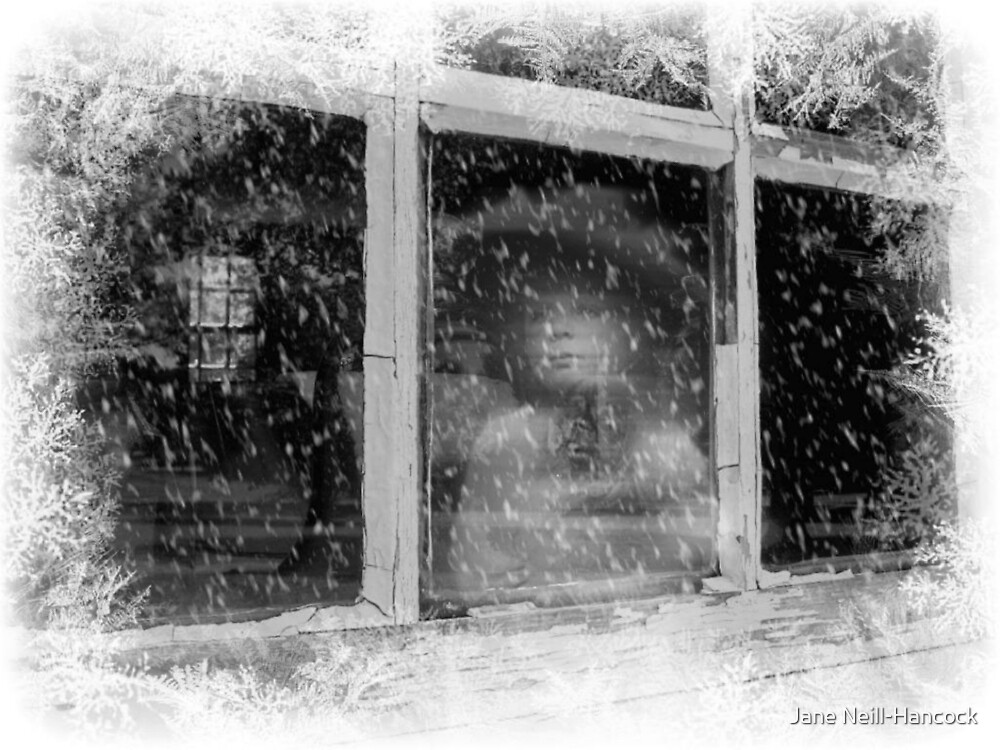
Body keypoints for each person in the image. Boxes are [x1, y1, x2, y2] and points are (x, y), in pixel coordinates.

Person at [437, 242, 711, 591]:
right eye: (538, 314)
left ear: (629, 329)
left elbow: (700, 555)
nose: (556, 329)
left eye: (584, 310)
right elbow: (473, 571)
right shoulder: (506, 437)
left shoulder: (663, 443)